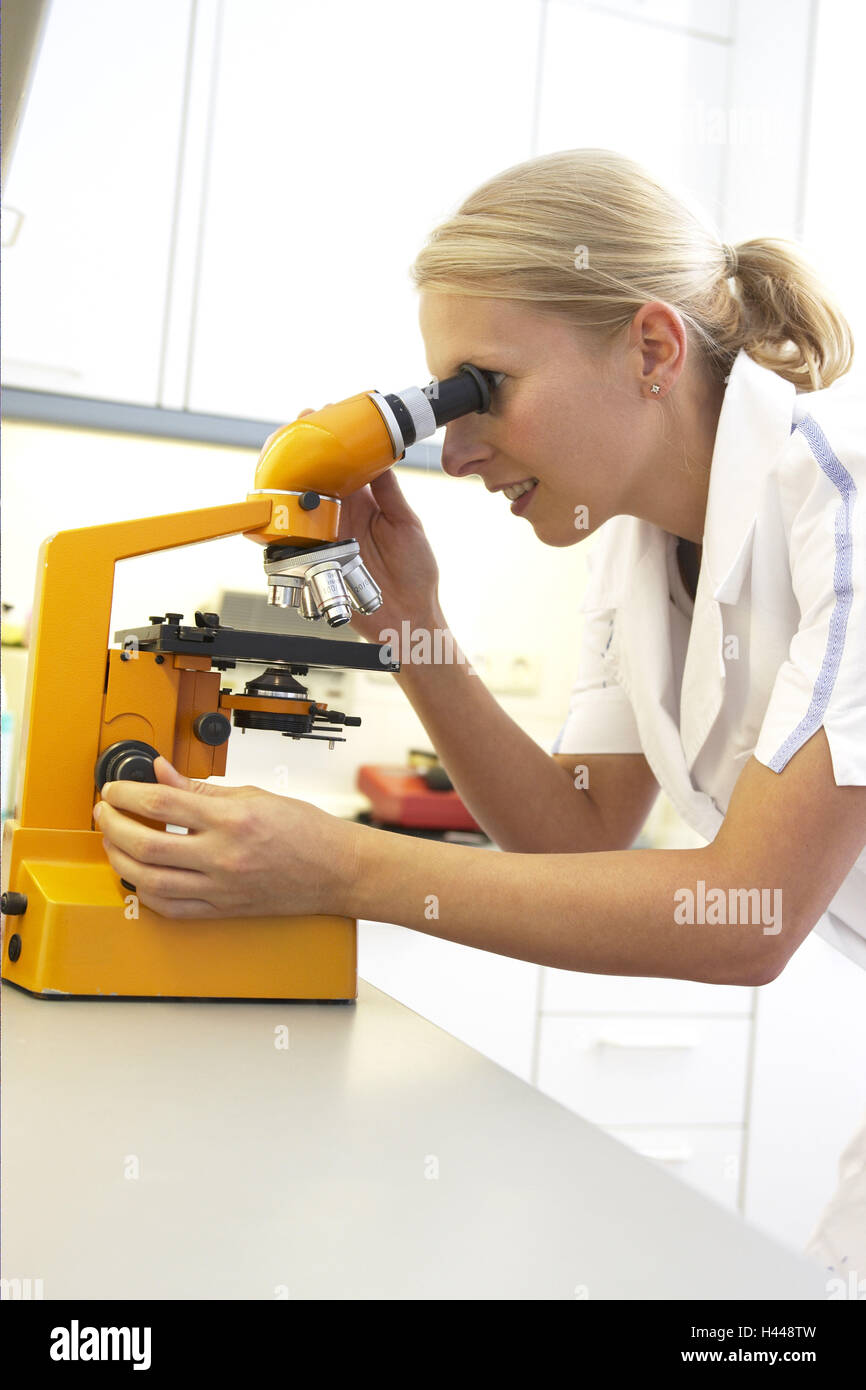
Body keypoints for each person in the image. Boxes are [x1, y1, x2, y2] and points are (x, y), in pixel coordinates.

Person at [94, 150, 866, 1275]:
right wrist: (408, 619)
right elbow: (573, 832)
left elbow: (746, 914)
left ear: (650, 347)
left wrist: (341, 868)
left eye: (479, 389)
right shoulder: (637, 529)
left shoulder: (841, 489)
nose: (450, 449)